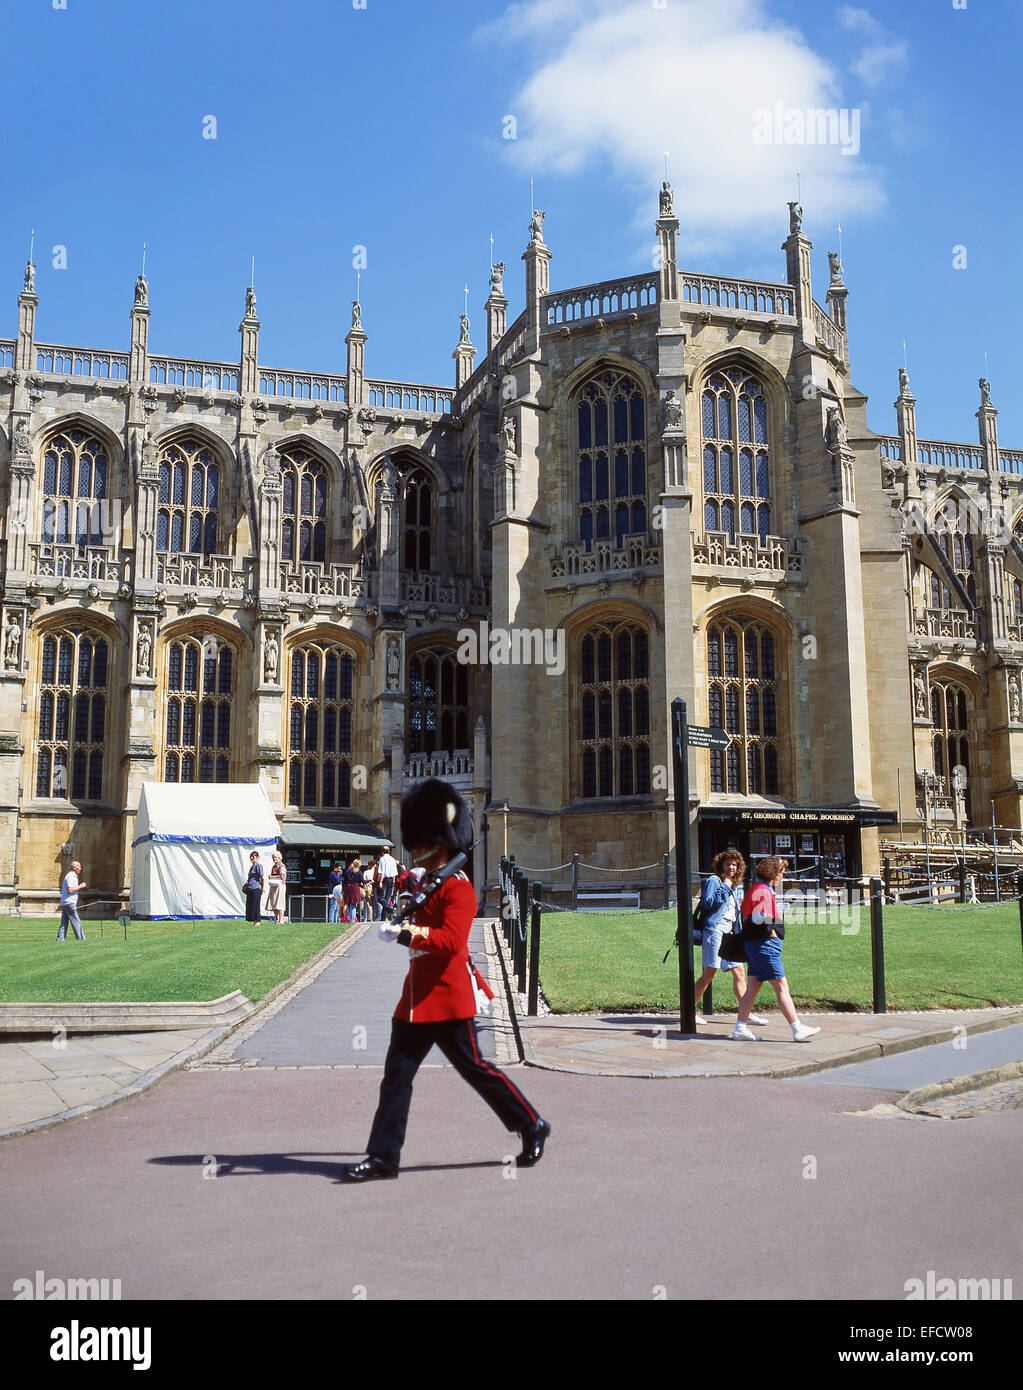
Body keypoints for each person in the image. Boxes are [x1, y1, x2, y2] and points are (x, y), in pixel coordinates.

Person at [339, 777, 550, 1182]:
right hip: (416, 1000)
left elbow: (451, 942)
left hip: (449, 999)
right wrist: (404, 928)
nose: (414, 849)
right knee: (396, 1077)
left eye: (421, 842)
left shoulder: (459, 889)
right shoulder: (428, 885)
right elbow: (424, 941)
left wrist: (405, 934)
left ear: (440, 841)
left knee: (477, 1071)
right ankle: (383, 1157)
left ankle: (531, 1124)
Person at [731, 857, 821, 1043]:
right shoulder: (763, 890)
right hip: (764, 947)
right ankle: (797, 1028)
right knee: (781, 987)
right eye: (781, 871)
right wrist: (773, 933)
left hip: (756, 947)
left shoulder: (758, 888)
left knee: (753, 987)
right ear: (773, 873)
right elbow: (759, 919)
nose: (783, 875)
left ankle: (740, 1028)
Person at [693, 849, 767, 1026]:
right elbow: (708, 904)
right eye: (728, 864)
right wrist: (725, 886)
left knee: (739, 971)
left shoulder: (733, 886)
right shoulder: (715, 881)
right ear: (721, 865)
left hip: (730, 934)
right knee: (709, 973)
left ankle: (746, 1013)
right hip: (715, 930)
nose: (731, 867)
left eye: (734, 864)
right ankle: (689, 1010)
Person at [57, 859, 87, 941]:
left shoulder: (71, 876)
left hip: (65, 902)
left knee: (64, 922)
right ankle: (81, 939)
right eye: (79, 867)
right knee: (76, 921)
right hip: (69, 903)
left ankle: (60, 938)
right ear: (74, 868)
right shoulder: (71, 876)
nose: (80, 868)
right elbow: (70, 890)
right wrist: (80, 886)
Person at [243, 850, 265, 925]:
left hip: (256, 888)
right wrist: (245, 885)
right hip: (250, 888)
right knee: (250, 905)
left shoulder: (258, 865)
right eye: (251, 856)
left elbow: (262, 878)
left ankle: (257, 922)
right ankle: (253, 921)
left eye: (253, 856)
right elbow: (249, 878)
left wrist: (262, 888)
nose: (251, 858)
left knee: (256, 905)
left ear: (257, 857)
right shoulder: (251, 867)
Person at [266, 852, 287, 924]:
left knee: (280, 903)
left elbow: (282, 876)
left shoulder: (281, 866)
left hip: (280, 886)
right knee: (273, 902)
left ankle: (281, 920)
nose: (274, 859)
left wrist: (272, 877)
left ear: (279, 858)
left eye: (276, 857)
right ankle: (276, 919)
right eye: (273, 857)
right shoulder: (274, 866)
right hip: (273, 885)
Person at [377, 846, 398, 916]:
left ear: (382, 852)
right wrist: (394, 880)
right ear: (389, 851)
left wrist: (380, 881)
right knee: (387, 898)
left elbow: (382, 871)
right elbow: (395, 871)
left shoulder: (382, 859)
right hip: (391, 879)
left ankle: (389, 908)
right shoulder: (392, 859)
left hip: (385, 879)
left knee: (380, 897)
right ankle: (384, 916)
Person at [342, 857, 363, 924]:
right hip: (355, 888)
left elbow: (344, 881)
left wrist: (343, 890)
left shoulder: (348, 871)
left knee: (348, 904)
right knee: (353, 905)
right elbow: (362, 881)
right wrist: (370, 880)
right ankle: (352, 920)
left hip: (347, 888)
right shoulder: (359, 872)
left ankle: (349, 919)